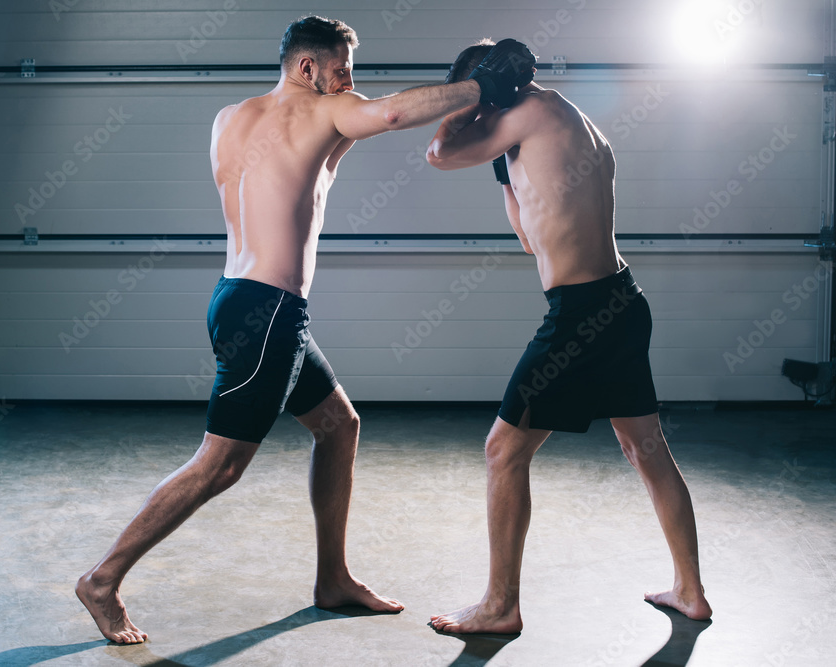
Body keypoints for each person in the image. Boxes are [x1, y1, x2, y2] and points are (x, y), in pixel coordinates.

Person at [75, 16, 519, 644]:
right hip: (270, 315)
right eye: (342, 71)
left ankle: (332, 579)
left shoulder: (232, 117)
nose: (349, 85)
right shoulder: (323, 114)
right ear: (308, 69)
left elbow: (350, 131)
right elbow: (391, 115)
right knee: (221, 464)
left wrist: (393, 109)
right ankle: (103, 578)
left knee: (338, 426)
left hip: (236, 297)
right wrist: (481, 88)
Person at [425, 39, 713, 634]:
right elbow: (533, 238)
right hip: (622, 302)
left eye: (475, 94)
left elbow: (438, 152)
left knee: (503, 453)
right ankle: (690, 591)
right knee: (647, 450)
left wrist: (466, 103)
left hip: (581, 313)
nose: (476, 112)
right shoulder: (569, 120)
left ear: (487, 87)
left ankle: (499, 607)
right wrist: (505, 173)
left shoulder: (526, 113)